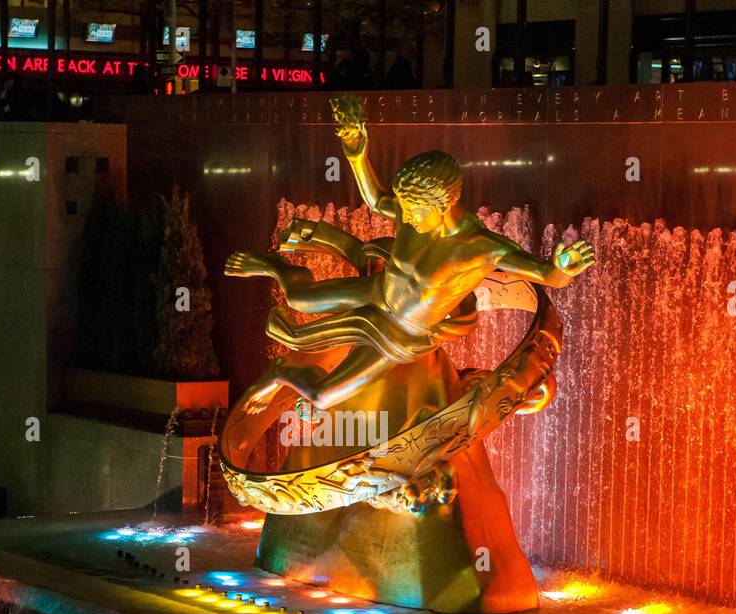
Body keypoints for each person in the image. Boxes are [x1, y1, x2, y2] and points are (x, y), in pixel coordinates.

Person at [224, 94, 595, 414]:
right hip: (378, 291)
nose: (405, 215)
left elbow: (545, 276)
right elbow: (375, 199)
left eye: (415, 210)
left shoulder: (479, 246)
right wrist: (356, 154)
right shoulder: (410, 209)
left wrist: (564, 268)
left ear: (444, 204)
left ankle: (278, 375)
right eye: (404, 207)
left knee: (322, 396)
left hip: (401, 334)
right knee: (297, 297)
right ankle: (276, 266)